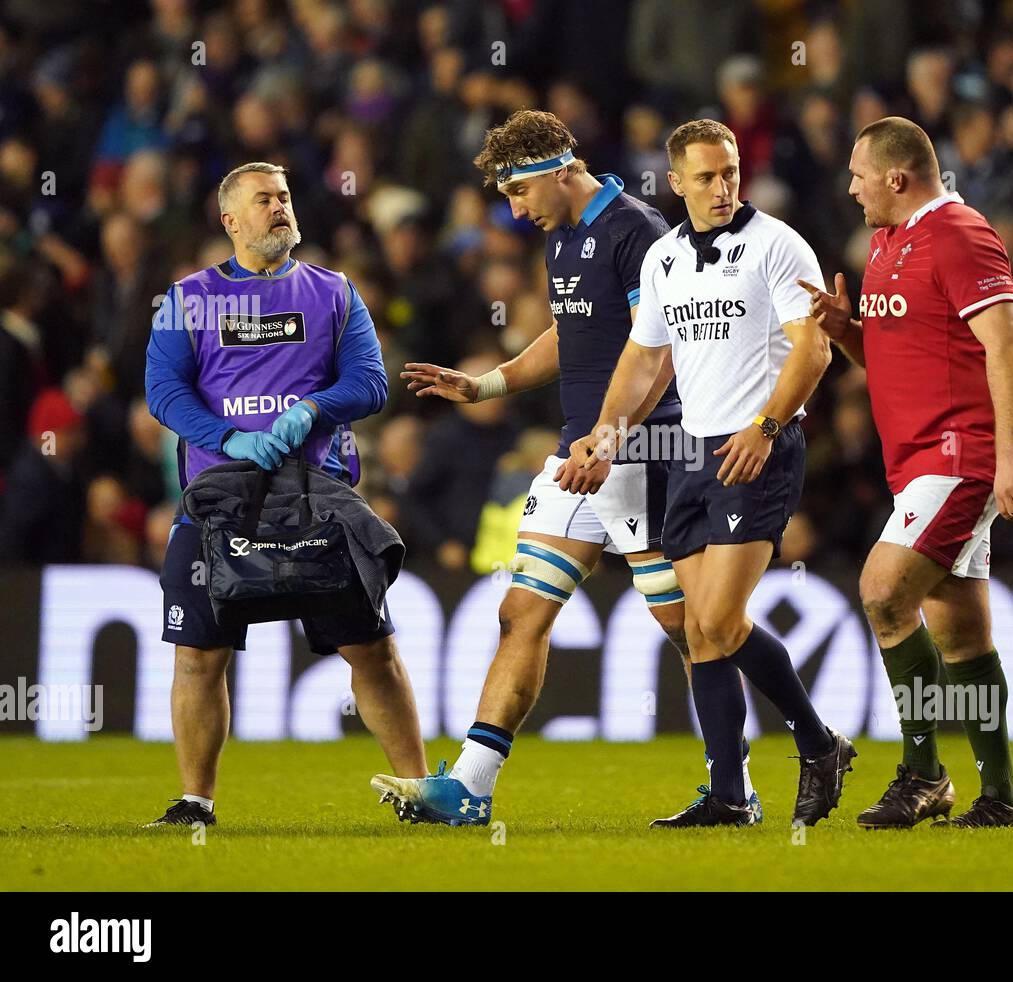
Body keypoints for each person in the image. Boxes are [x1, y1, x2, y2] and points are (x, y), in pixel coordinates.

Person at [370, 111, 766, 826]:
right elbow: (572, 332)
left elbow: (665, 348)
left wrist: (613, 437)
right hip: (579, 455)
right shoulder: (564, 238)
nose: (515, 211)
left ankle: (740, 784)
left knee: (693, 627)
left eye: (518, 194)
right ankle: (470, 787)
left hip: (644, 450)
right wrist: (487, 384)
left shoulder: (637, 231)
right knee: (521, 611)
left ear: (556, 173)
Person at [569, 119, 855, 828]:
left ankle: (817, 743)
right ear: (677, 183)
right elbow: (643, 359)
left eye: (729, 172)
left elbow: (813, 352)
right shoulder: (663, 259)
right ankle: (732, 792)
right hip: (694, 450)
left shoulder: (777, 245)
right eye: (706, 176)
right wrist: (604, 436)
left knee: (720, 621)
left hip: (758, 444)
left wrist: (766, 427)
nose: (723, 186)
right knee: (701, 633)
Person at [143, 162, 427, 827]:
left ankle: (420, 794)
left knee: (372, 650)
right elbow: (165, 391)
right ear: (230, 221)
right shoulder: (187, 298)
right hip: (220, 499)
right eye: (263, 199)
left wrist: (310, 411)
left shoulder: (333, 292)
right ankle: (195, 802)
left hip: (316, 497)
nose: (278, 207)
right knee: (197, 654)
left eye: (285, 197)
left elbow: (371, 383)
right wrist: (229, 438)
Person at [807, 116, 1013, 828]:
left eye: (858, 174)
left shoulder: (960, 235)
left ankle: (923, 773)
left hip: (959, 455)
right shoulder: (885, 245)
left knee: (881, 590)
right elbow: (900, 363)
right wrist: (847, 333)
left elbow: (1009, 345)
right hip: (914, 464)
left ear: (896, 178)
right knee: (961, 633)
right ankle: (1000, 797)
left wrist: (1010, 453)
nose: (851, 187)